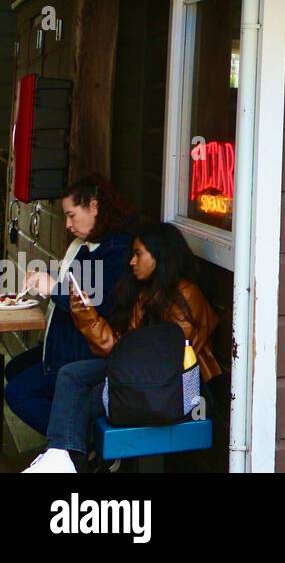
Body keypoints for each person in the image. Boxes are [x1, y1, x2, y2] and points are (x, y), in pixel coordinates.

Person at [24, 222, 221, 473]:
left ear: (159, 255)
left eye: (138, 254)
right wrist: (85, 313)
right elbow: (123, 350)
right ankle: (60, 458)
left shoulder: (186, 296)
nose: (131, 262)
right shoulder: (147, 294)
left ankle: (68, 462)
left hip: (177, 389)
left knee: (83, 401)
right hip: (144, 374)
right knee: (71, 374)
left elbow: (166, 362)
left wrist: (118, 370)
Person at [4, 176, 135, 436]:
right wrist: (43, 275)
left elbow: (94, 300)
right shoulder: (91, 244)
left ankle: (75, 441)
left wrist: (53, 287)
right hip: (65, 345)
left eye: (72, 215)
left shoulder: (116, 250)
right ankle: (67, 428)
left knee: (18, 394)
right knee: (14, 369)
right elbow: (78, 277)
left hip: (88, 354)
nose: (67, 224)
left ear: (94, 207)